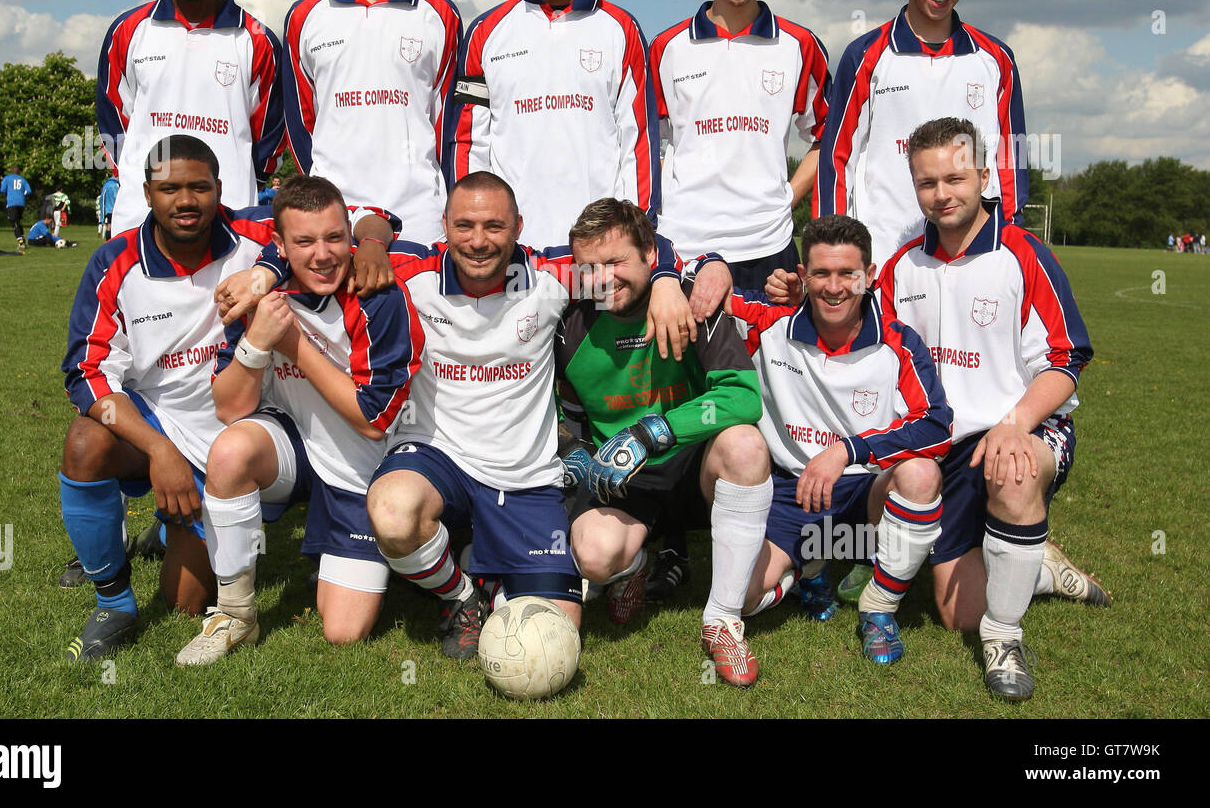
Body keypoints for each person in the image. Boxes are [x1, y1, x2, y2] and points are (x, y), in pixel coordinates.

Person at [58, 133, 397, 662]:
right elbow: (86, 375)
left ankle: (176, 527)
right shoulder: (114, 263)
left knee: (184, 602)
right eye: (170, 188)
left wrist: (370, 243)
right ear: (147, 193)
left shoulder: (254, 232)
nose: (186, 200)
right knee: (84, 441)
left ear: (221, 189)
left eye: (199, 187)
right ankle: (114, 602)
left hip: (242, 429)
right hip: (162, 427)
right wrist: (159, 452)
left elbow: (353, 218)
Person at [363, 173, 697, 659]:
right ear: (444, 225)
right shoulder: (410, 272)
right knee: (392, 514)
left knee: (558, 632)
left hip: (527, 474)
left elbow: (642, 251)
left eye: (495, 226)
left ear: (519, 226)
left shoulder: (551, 276)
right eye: (465, 226)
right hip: (439, 460)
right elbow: (326, 235)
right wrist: (368, 240)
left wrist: (669, 279)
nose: (478, 241)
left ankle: (488, 569)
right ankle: (463, 597)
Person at [876, 116, 1104, 701]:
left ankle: (1004, 638)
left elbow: (1064, 359)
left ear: (983, 174)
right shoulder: (902, 267)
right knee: (956, 613)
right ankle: (1040, 568)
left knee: (1014, 463)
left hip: (1025, 430)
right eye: (927, 183)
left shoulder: (1024, 254)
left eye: (955, 178)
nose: (942, 194)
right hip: (944, 447)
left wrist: (1015, 423)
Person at [176, 176, 421, 664]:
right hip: (298, 447)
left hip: (368, 468)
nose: (323, 255)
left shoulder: (377, 292)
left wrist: (292, 346)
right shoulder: (260, 294)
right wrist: (257, 343)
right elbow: (228, 409)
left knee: (343, 631)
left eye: (334, 238)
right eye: (304, 242)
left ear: (350, 235)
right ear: (281, 246)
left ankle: (417, 542)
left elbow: (372, 422)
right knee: (229, 449)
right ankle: (235, 613)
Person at [556, 199, 772, 687]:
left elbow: (742, 398)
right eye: (590, 268)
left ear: (652, 255)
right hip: (626, 474)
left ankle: (722, 619)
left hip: (697, 462)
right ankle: (633, 565)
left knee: (746, 446)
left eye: (616, 263)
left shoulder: (693, 300)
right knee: (593, 554)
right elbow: (562, 408)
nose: (603, 279)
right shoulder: (568, 322)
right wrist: (574, 453)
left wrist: (654, 430)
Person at [729, 215, 952, 666]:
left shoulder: (898, 343)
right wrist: (708, 266)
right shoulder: (769, 323)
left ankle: (879, 608)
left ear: (870, 276)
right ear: (802, 276)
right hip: (790, 494)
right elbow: (699, 294)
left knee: (922, 473)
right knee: (742, 598)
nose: (835, 287)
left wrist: (847, 450)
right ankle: (806, 572)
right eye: (821, 274)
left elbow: (936, 425)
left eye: (848, 273)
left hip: (864, 495)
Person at [815, 0, 1027, 264]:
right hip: (885, 257)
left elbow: (1011, 157)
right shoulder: (865, 56)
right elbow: (838, 161)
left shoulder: (996, 59)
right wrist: (831, 247)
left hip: (977, 258)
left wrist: (1013, 237)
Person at [447, 0, 658, 247]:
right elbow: (469, 144)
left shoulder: (621, 29)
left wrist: (635, 235)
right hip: (511, 250)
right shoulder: (486, 32)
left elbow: (637, 143)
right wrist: (472, 231)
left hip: (597, 250)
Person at [650, 0, 831, 291]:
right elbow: (648, 147)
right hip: (686, 242)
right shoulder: (667, 47)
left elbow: (828, 136)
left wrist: (788, 196)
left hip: (768, 243)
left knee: (771, 355)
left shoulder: (799, 45)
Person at [282, 0, 462, 244]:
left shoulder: (440, 16)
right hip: (334, 214)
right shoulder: (305, 17)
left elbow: (450, 126)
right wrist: (319, 198)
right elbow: (300, 125)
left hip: (419, 214)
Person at [97, 0, 284, 237]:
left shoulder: (256, 40)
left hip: (232, 218)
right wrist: (137, 177)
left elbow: (269, 137)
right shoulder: (128, 32)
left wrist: (242, 183)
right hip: (140, 219)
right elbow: (114, 126)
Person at [1, 168, 31, 247]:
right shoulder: (23, 180)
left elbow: (2, 190)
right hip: (21, 203)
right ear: (19, 172)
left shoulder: (7, 178)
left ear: (11, 172)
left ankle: (21, 242)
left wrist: (10, 193)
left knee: (14, 223)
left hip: (12, 203)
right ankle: (23, 240)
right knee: (18, 222)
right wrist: (22, 195)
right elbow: (29, 191)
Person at [97, 173, 120, 241]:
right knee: (115, 227)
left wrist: (102, 214)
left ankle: (108, 242)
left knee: (109, 226)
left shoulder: (106, 185)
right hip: (116, 210)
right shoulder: (117, 185)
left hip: (108, 210)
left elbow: (102, 199)